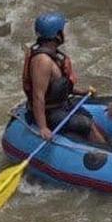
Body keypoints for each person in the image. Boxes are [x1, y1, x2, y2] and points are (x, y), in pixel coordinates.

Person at [22, 12, 107, 144]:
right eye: (62, 30)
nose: (64, 33)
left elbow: (57, 87)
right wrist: (43, 128)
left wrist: (81, 92)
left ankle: (108, 146)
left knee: (89, 118)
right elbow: (38, 96)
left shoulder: (54, 56)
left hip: (61, 105)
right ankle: (105, 151)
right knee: (86, 124)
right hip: (50, 112)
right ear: (57, 34)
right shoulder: (42, 61)